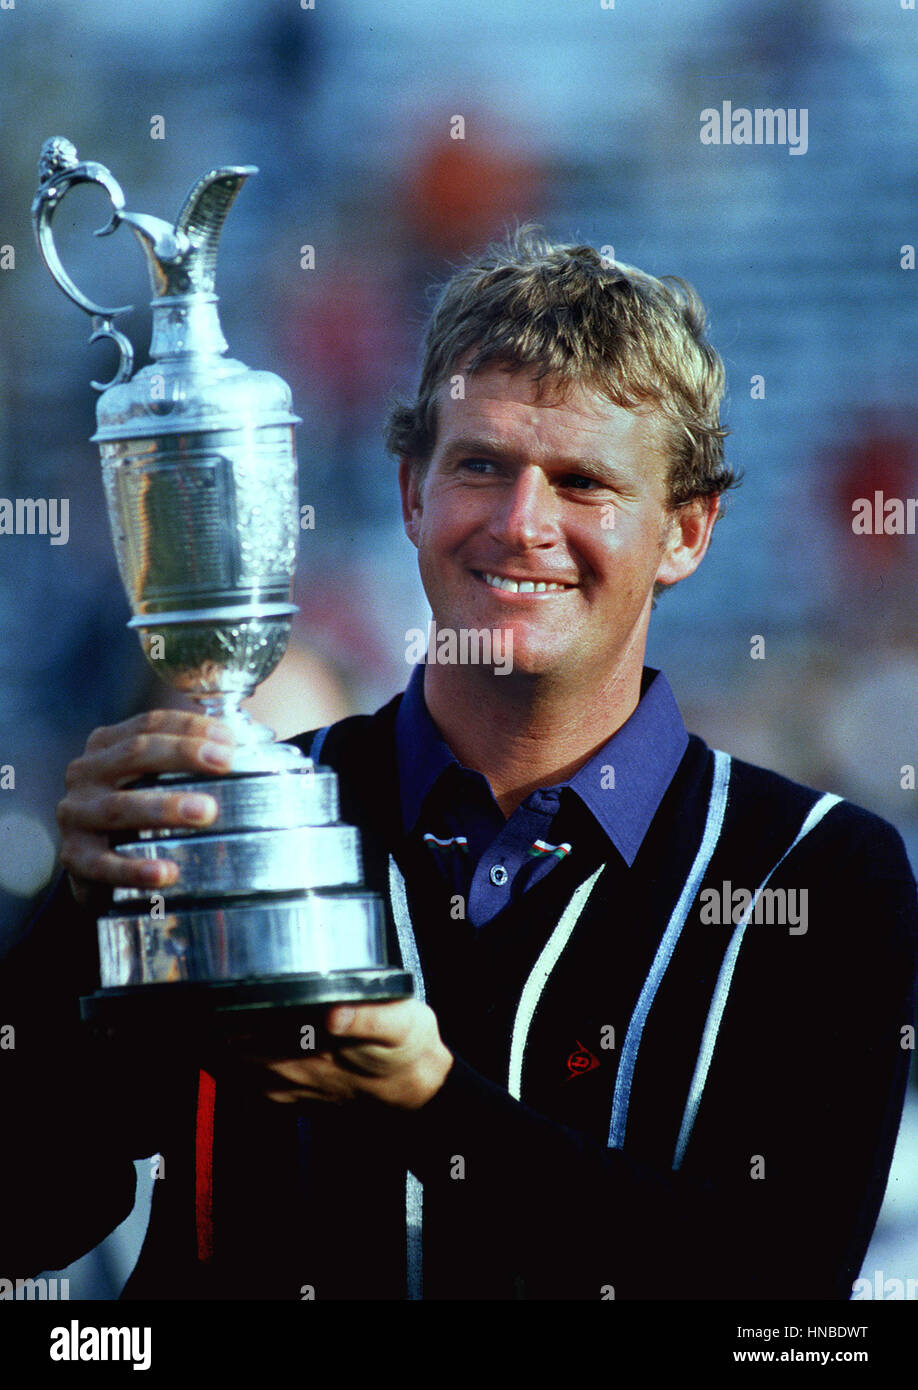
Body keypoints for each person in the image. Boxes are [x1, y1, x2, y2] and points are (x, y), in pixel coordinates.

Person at [3, 228, 916, 1301]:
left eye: (583, 482)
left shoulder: (813, 875)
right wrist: (74, 917)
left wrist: (429, 1105)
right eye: (481, 465)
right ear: (411, 493)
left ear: (687, 532)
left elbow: (772, 1301)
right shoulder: (229, 827)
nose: (523, 523)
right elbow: (29, 1216)